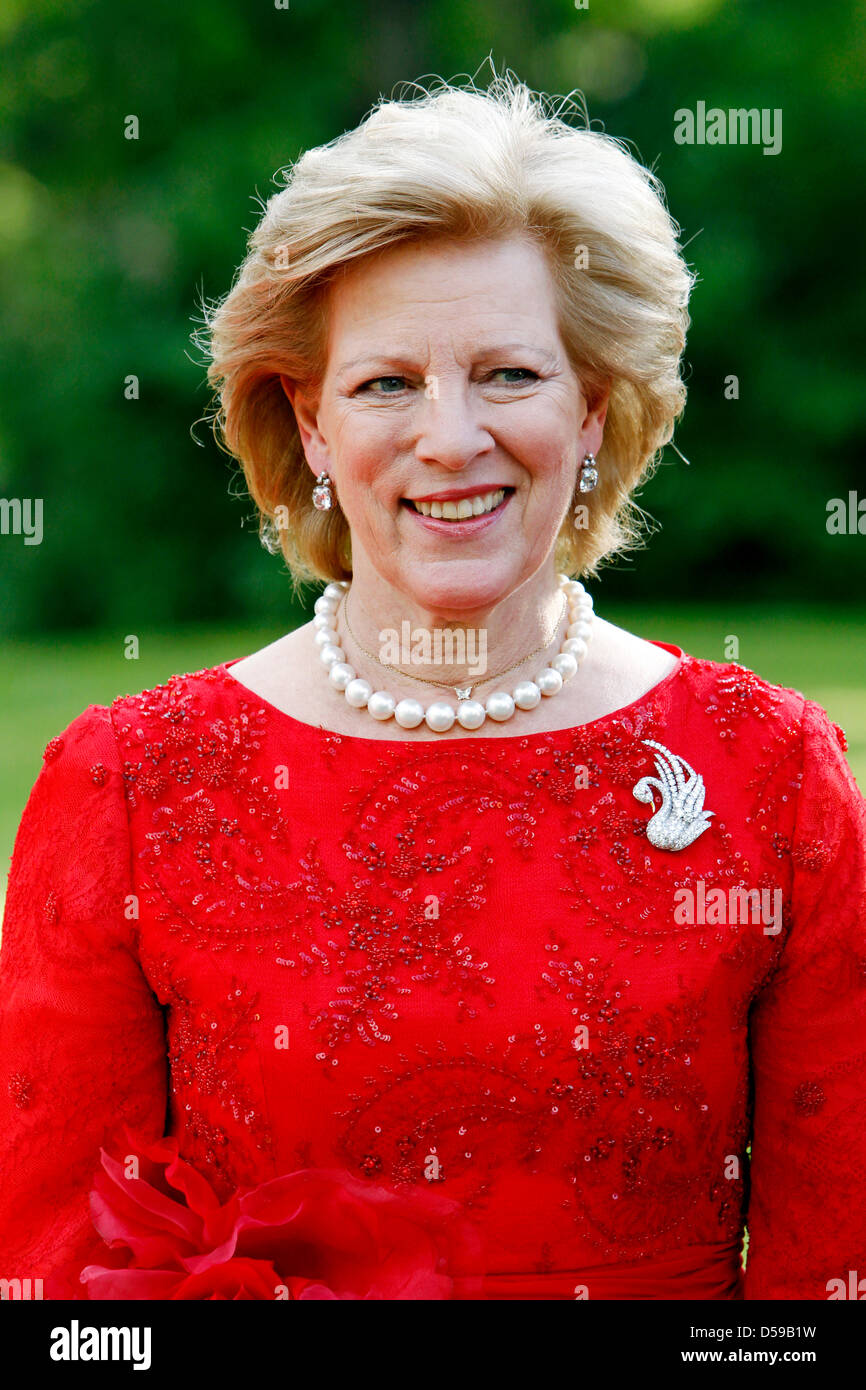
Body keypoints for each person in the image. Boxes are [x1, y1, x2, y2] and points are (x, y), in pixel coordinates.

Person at [1, 73, 864, 1301]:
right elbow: (50, 1291)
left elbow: (829, 1281)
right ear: (307, 428)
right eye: (384, 383)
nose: (449, 436)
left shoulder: (770, 774)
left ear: (591, 412)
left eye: (508, 375)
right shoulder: (128, 784)